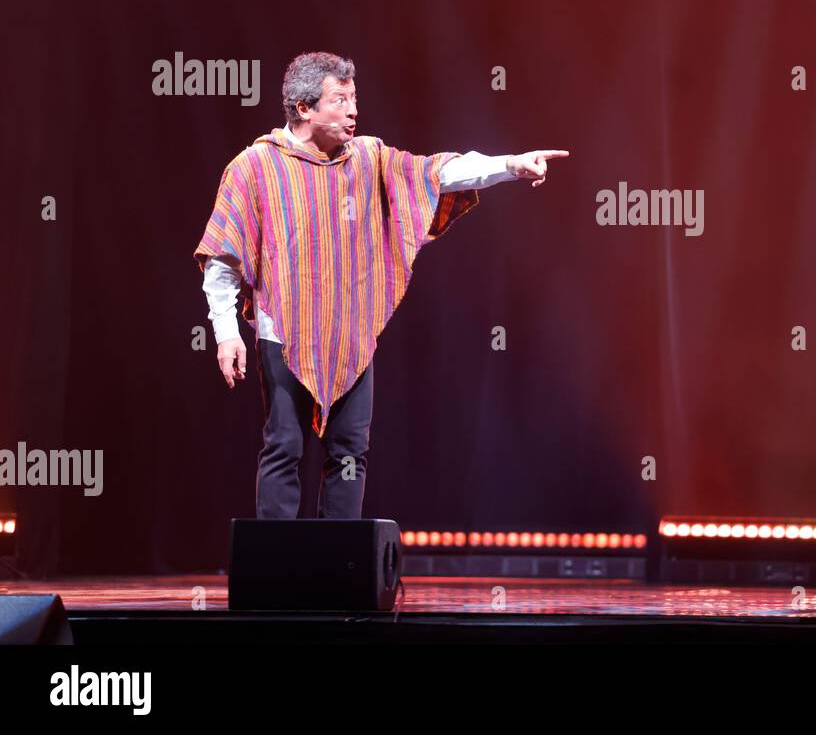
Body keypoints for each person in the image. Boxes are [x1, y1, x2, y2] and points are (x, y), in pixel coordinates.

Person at [194, 51, 568, 519]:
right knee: (283, 447)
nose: (353, 110)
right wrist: (226, 331)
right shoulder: (256, 167)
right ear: (304, 107)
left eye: (355, 98)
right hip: (283, 334)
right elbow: (223, 257)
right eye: (340, 99)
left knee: (349, 453)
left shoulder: (369, 159)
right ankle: (279, 571)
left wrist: (511, 164)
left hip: (351, 337)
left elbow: (439, 172)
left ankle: (339, 569)